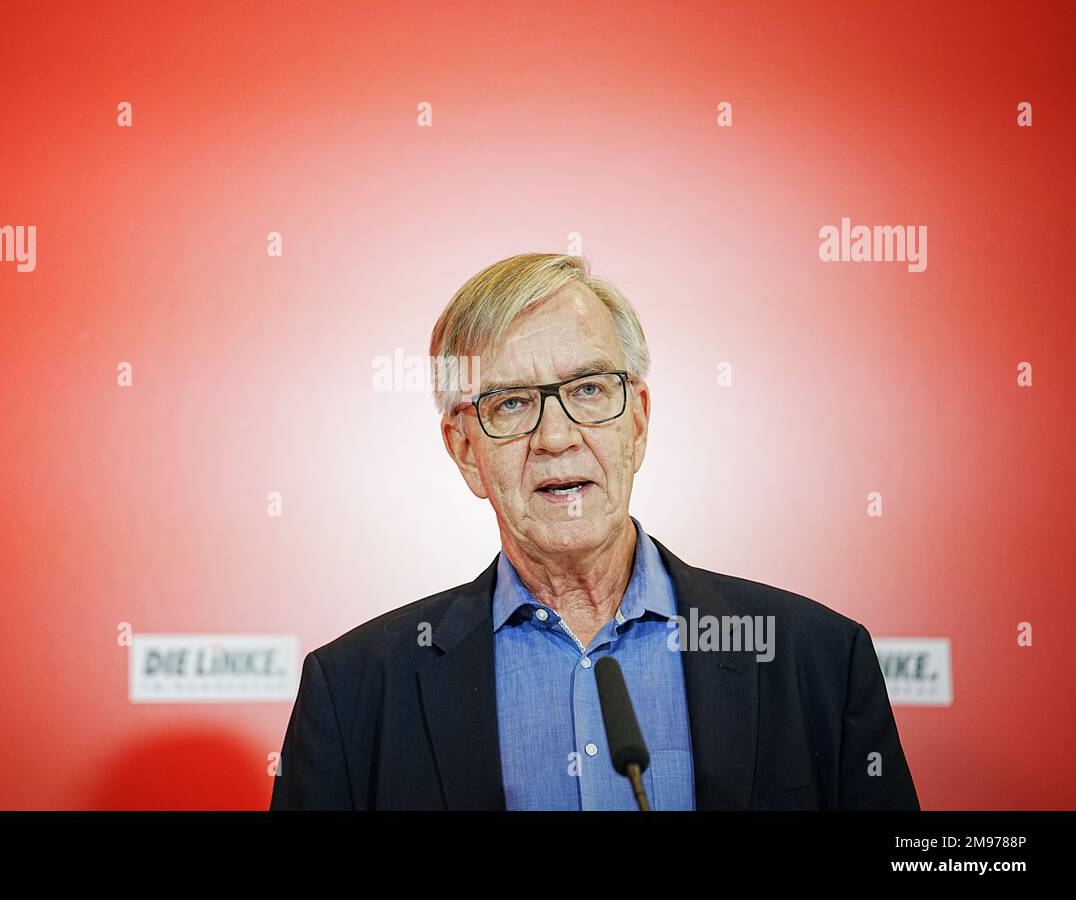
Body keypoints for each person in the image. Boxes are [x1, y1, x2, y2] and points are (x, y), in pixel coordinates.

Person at [270, 252, 919, 810]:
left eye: (587, 389)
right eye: (511, 403)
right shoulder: (354, 694)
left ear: (637, 421)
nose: (555, 438)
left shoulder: (819, 662)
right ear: (466, 451)